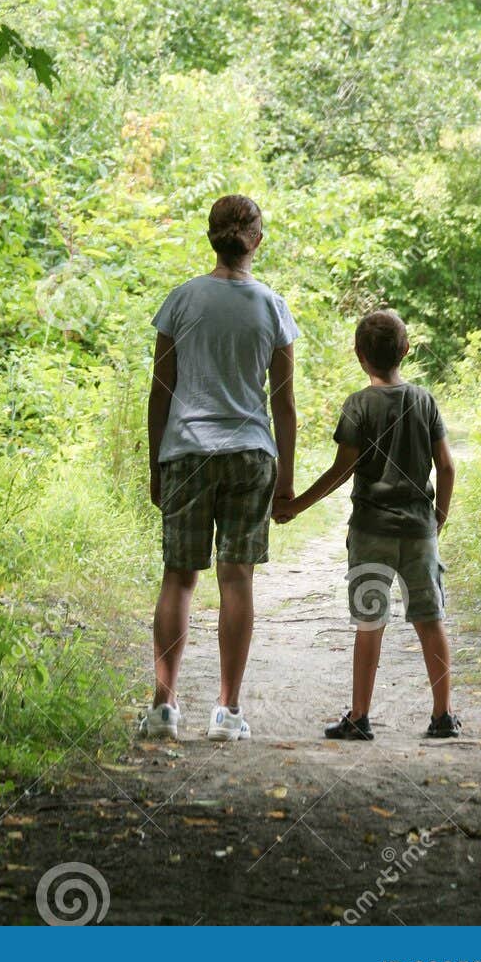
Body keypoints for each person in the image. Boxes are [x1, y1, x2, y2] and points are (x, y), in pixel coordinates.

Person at [139, 194, 298, 742]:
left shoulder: (181, 300)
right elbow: (284, 404)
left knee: (179, 578)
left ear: (211, 236)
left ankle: (163, 706)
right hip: (251, 454)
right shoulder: (272, 307)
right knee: (236, 579)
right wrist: (289, 477)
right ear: (257, 239)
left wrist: (156, 462)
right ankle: (227, 712)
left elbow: (161, 392)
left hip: (185, 451)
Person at [273, 309, 460, 740]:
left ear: (359, 355)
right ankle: (443, 715)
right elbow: (446, 467)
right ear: (406, 350)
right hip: (419, 532)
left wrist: (296, 505)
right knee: (430, 620)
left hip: (371, 531)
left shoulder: (358, 405)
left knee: (370, 621)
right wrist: (439, 518)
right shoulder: (425, 401)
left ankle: (359, 717)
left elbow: (342, 470)